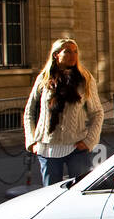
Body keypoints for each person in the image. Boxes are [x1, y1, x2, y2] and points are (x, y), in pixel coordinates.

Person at [24, 38, 104, 186]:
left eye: (75, 51)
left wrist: (89, 141)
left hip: (76, 147)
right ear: (56, 55)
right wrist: (32, 141)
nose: (73, 55)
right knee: (51, 195)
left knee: (80, 191)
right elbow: (29, 111)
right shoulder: (43, 79)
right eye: (67, 51)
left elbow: (97, 112)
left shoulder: (84, 79)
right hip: (47, 148)